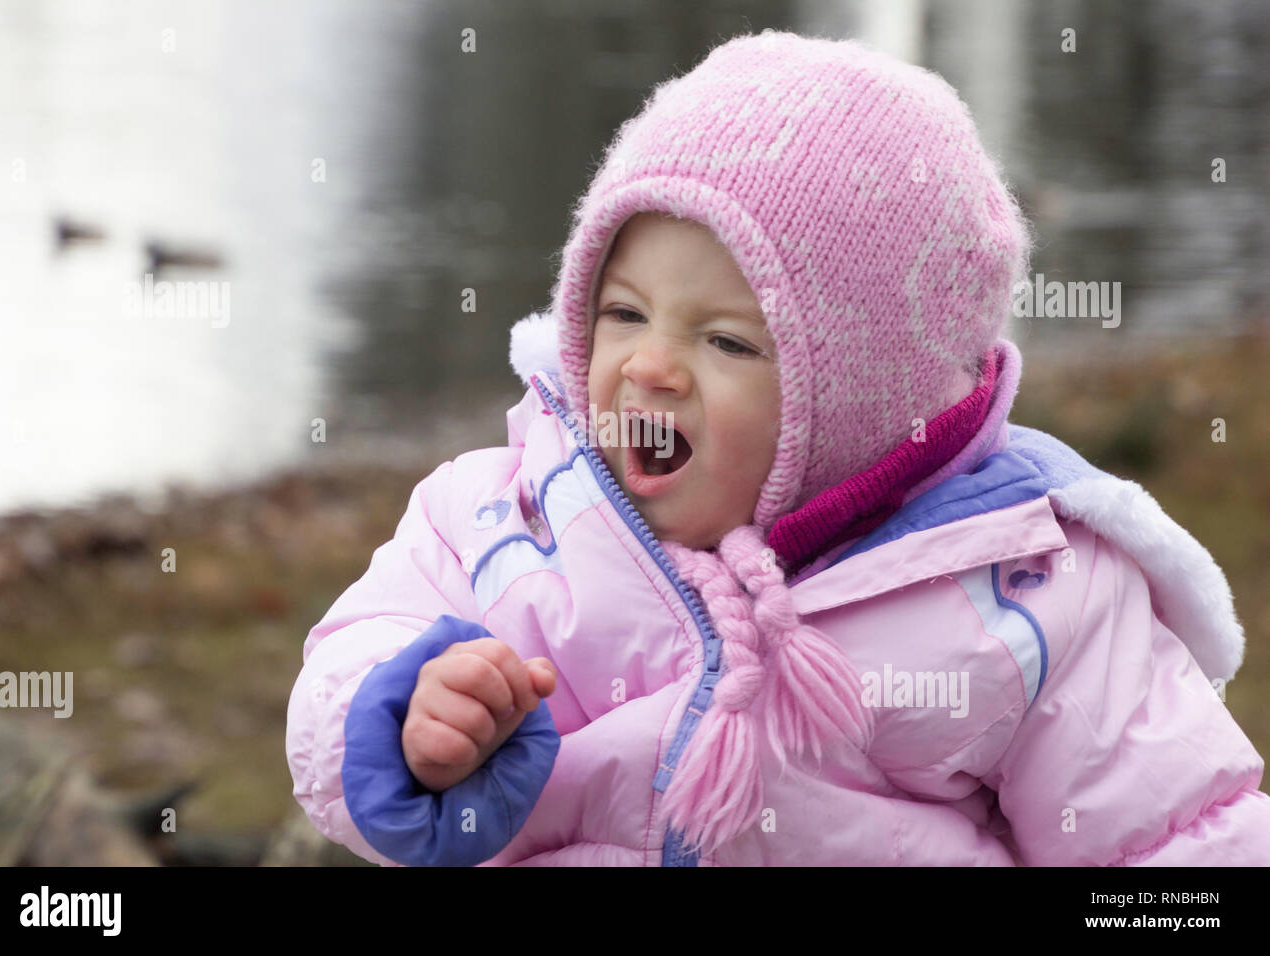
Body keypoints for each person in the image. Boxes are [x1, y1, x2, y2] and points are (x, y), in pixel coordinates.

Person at [285, 30, 1270, 866]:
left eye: (726, 341)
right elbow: (342, 672)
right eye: (622, 312)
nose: (651, 367)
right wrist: (411, 725)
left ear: (859, 397)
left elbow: (1181, 832)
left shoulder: (1026, 585)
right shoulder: (503, 519)